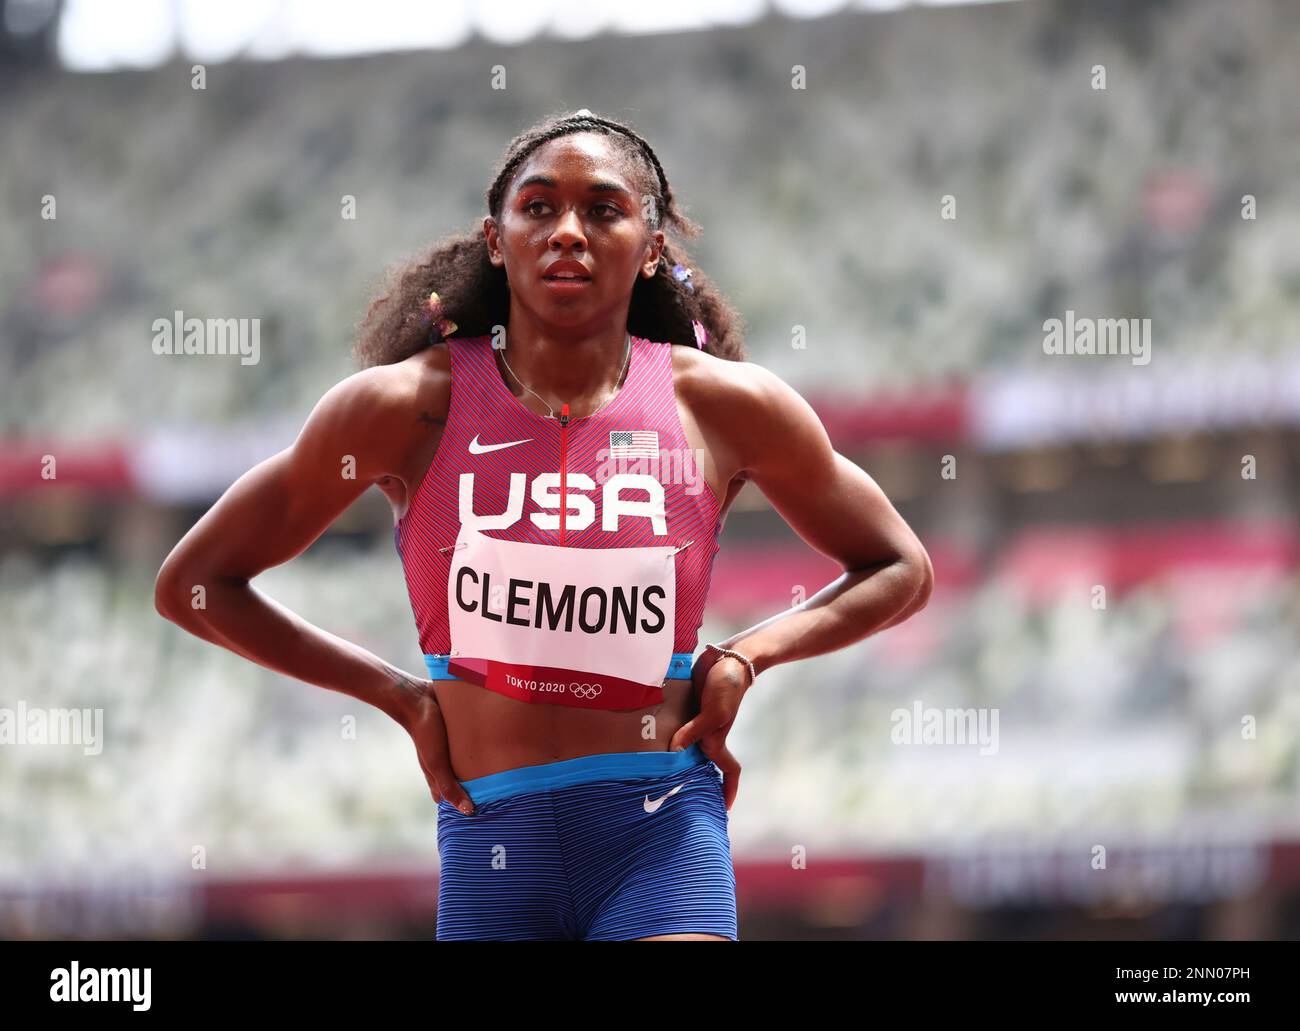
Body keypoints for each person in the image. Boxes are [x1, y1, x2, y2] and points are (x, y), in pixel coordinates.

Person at [154, 109, 934, 941]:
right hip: (493, 846)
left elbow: (900, 566)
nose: (568, 232)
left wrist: (750, 653)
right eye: (538, 208)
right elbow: (195, 585)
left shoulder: (723, 407)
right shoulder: (404, 410)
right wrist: (398, 697)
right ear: (497, 239)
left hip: (659, 832)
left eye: (603, 210)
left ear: (653, 245)